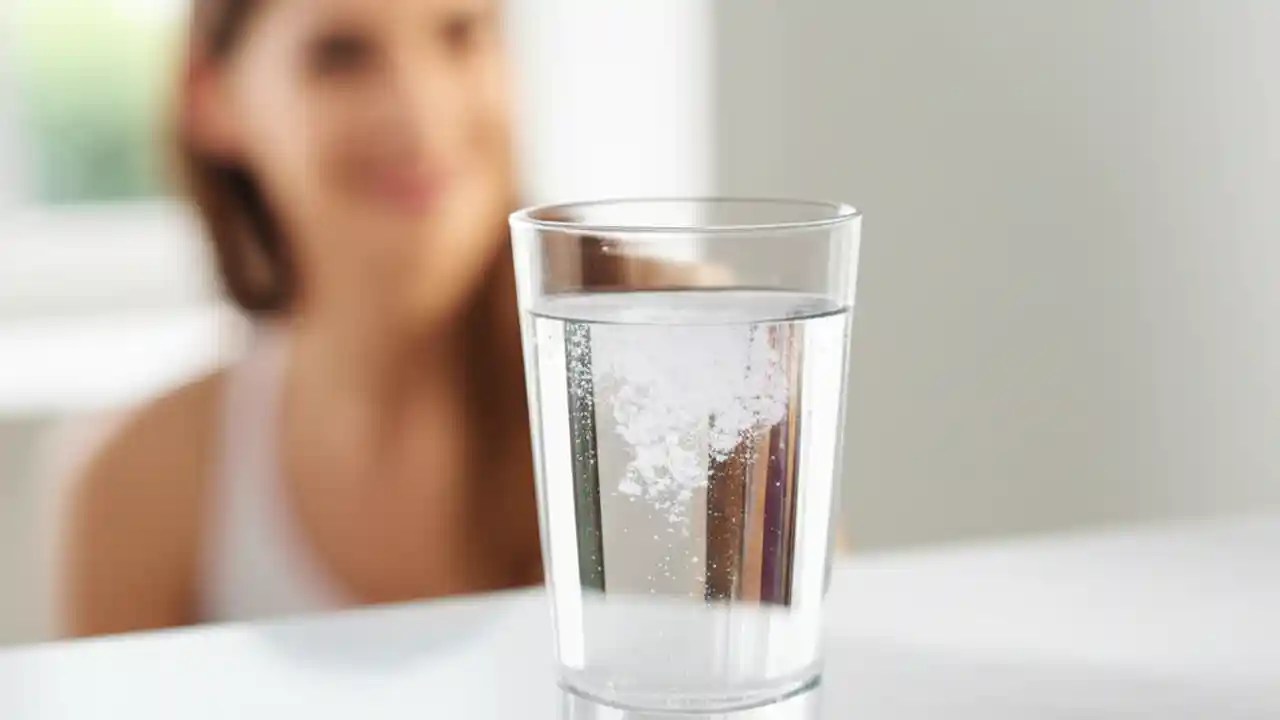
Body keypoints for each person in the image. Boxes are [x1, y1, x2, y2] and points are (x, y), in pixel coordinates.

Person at [57, 0, 542, 636]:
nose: (422, 112)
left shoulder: (652, 393)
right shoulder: (143, 481)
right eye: (340, 56)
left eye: (461, 34)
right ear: (212, 99)